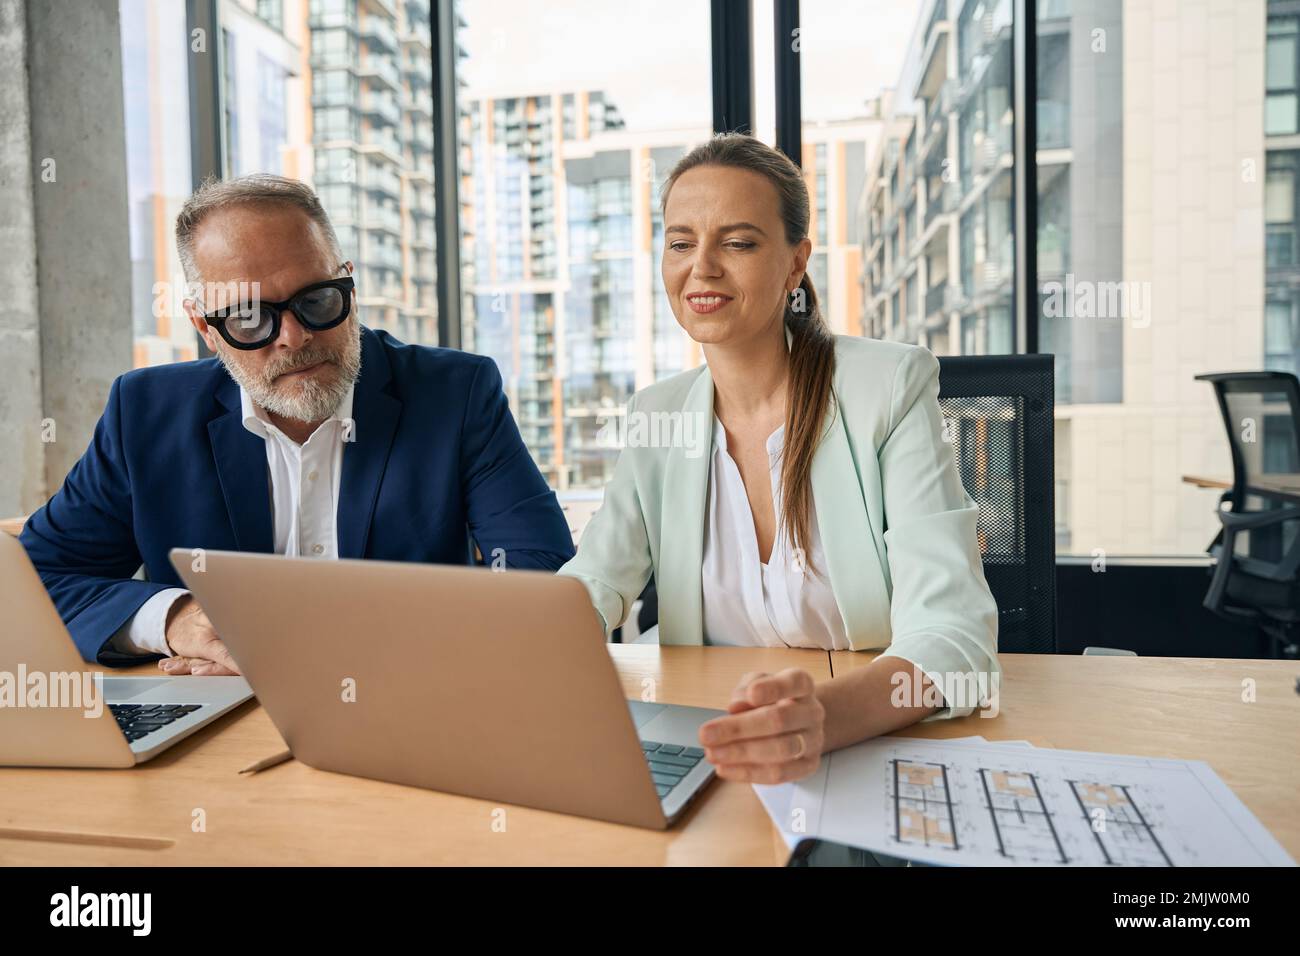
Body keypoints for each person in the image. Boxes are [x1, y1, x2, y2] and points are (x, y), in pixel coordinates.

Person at [559, 134, 999, 784]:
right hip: (710, 744)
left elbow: (955, 635)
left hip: (865, 750)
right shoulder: (660, 414)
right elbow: (595, 583)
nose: (701, 267)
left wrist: (825, 717)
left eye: (737, 242)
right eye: (681, 242)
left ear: (796, 264)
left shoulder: (888, 387)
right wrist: (530, 644)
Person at [20, 174, 574, 672]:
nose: (293, 337)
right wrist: (177, 622)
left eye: (317, 300)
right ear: (204, 326)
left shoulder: (456, 393)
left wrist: (315, 645)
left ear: (348, 288)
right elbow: (36, 582)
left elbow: (538, 576)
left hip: (405, 707)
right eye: (247, 316)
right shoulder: (144, 413)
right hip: (214, 729)